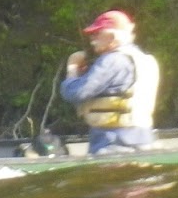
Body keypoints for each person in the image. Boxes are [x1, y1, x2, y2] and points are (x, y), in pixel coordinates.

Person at [60, 9, 160, 154]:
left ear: (112, 36)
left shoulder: (112, 60)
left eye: (97, 34)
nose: (92, 40)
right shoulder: (144, 59)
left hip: (113, 144)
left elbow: (76, 93)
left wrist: (72, 69)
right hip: (143, 140)